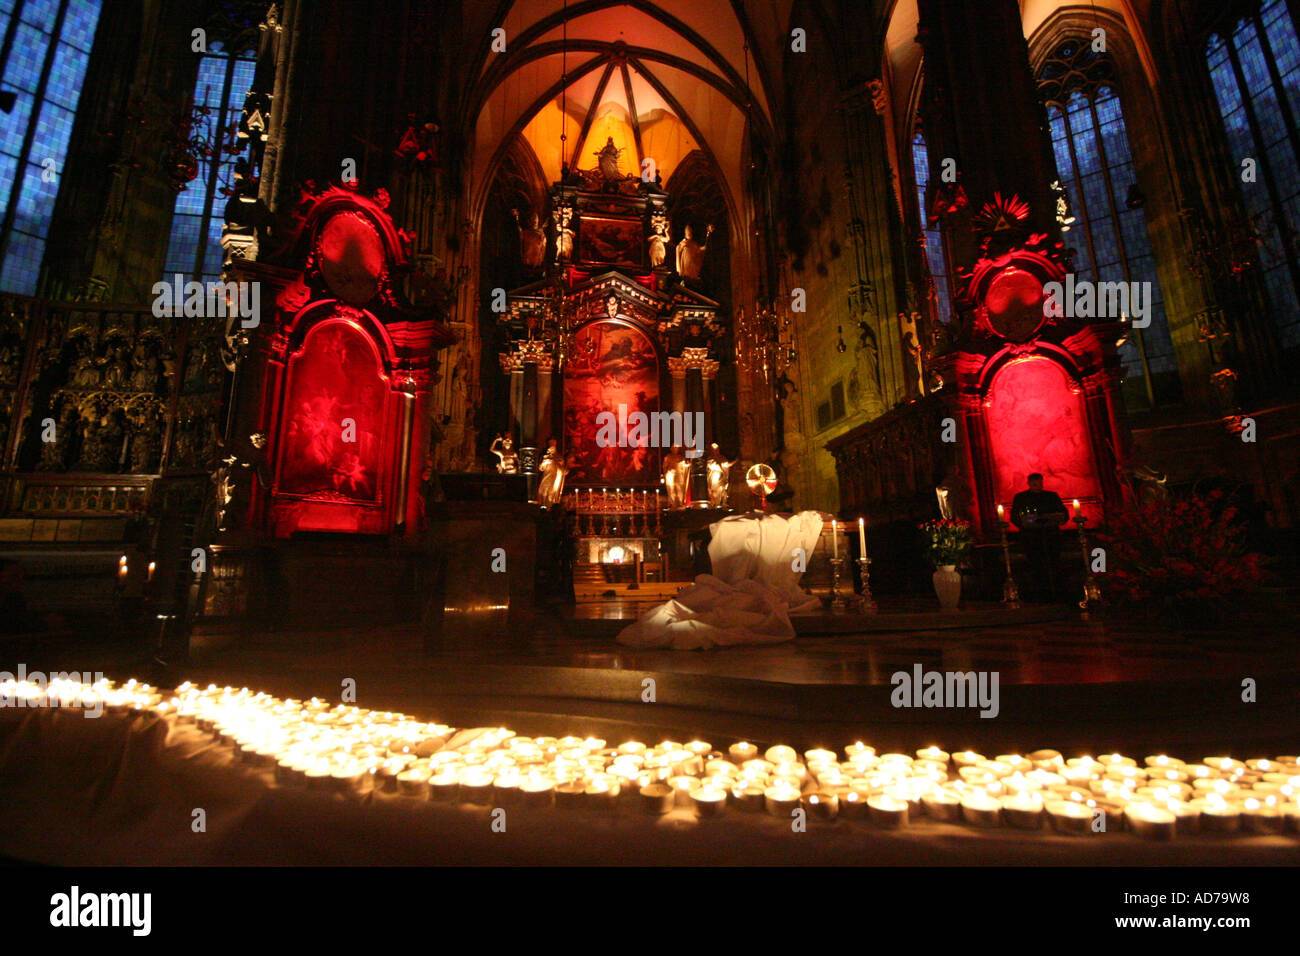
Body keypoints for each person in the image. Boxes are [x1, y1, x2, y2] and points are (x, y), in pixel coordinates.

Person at [1010, 472, 1069, 601]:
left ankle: (1057, 593)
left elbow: (1063, 513)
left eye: (1040, 483)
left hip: (1051, 537)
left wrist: (1055, 519)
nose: (1038, 486)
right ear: (1029, 483)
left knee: (1053, 564)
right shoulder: (1021, 498)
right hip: (1031, 538)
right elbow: (1014, 516)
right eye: (1035, 483)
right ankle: (1038, 594)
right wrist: (1025, 523)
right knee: (1035, 565)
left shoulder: (1051, 496)